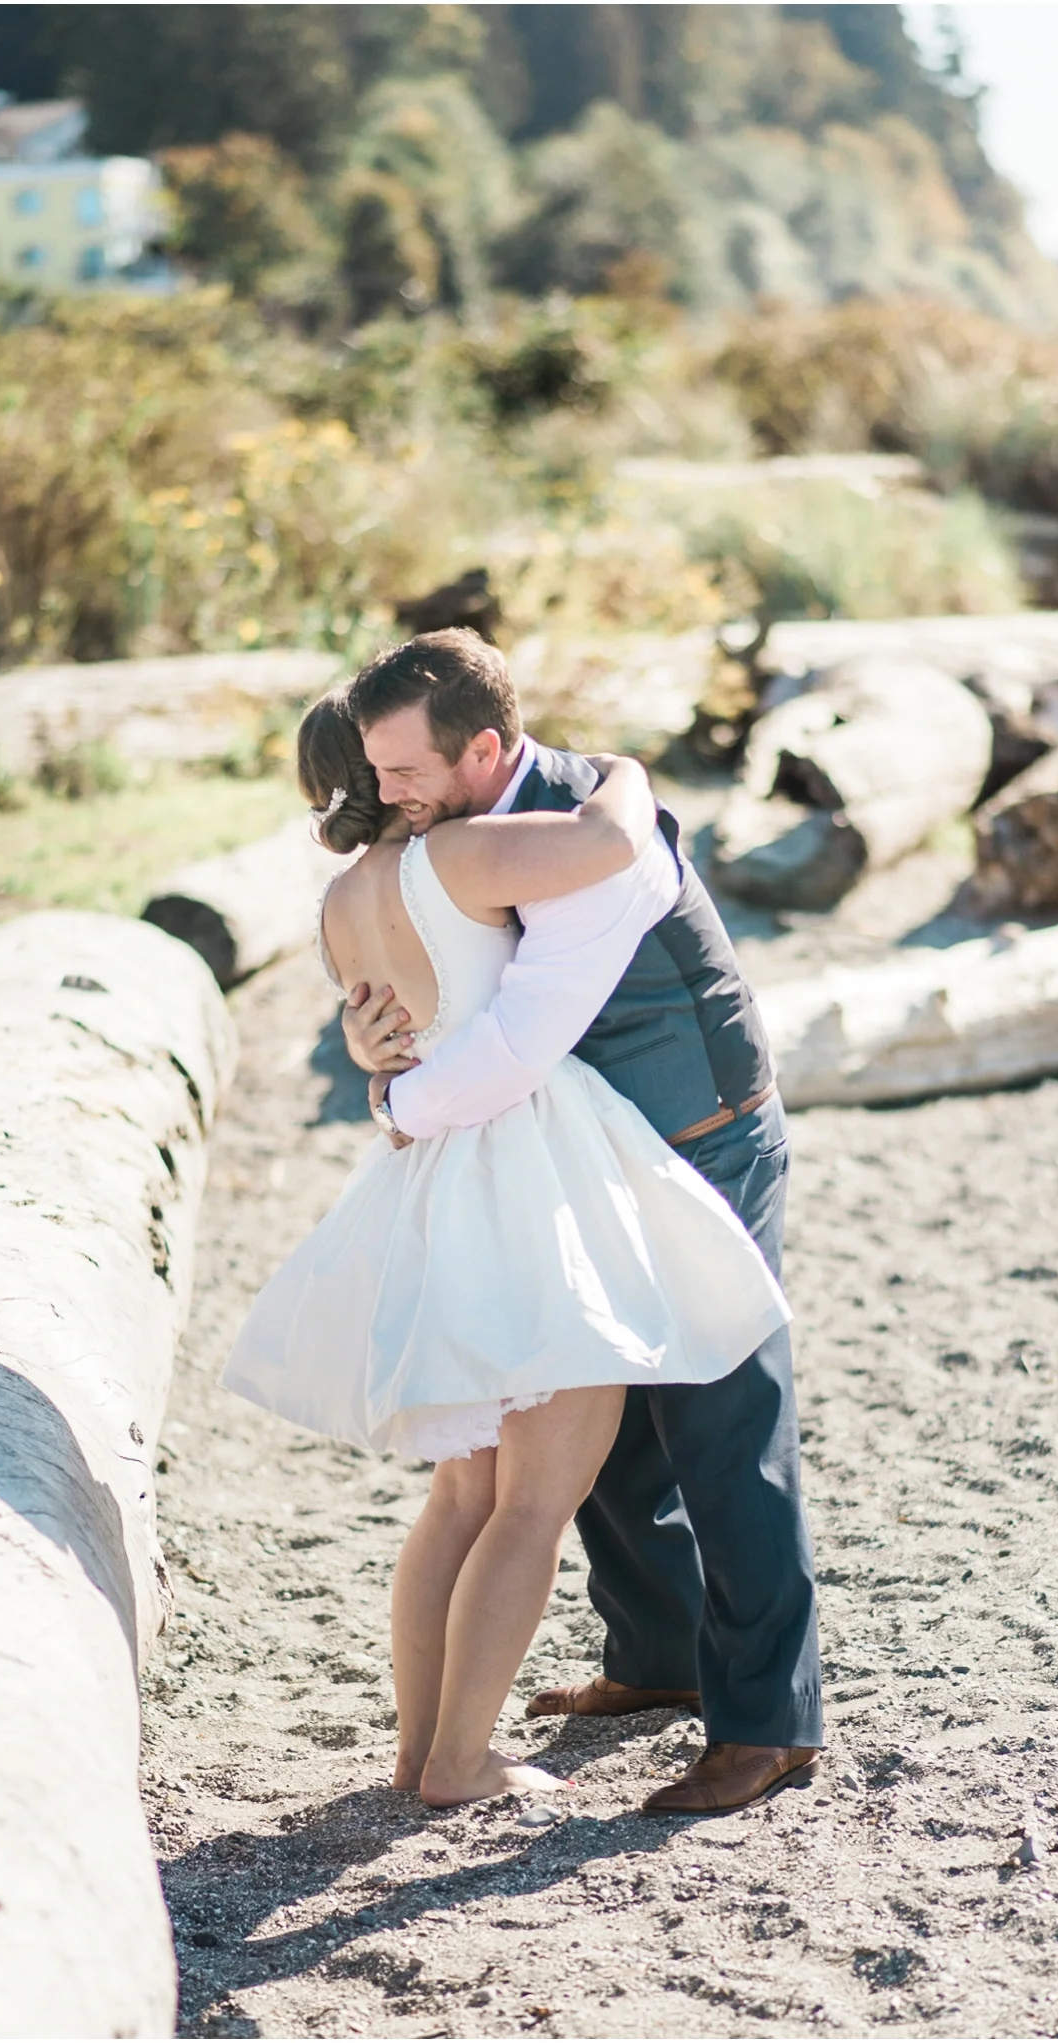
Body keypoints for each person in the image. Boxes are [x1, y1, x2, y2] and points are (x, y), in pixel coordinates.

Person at [221, 684, 791, 1812]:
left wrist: (383, 1080)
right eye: (390, 774)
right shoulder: (466, 859)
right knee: (534, 1505)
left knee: (461, 1500)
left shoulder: (342, 903)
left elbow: (387, 1039)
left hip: (432, 1191)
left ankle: (419, 1749)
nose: (405, 789)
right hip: (531, 1172)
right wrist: (628, 771)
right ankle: (458, 1763)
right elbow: (600, 840)